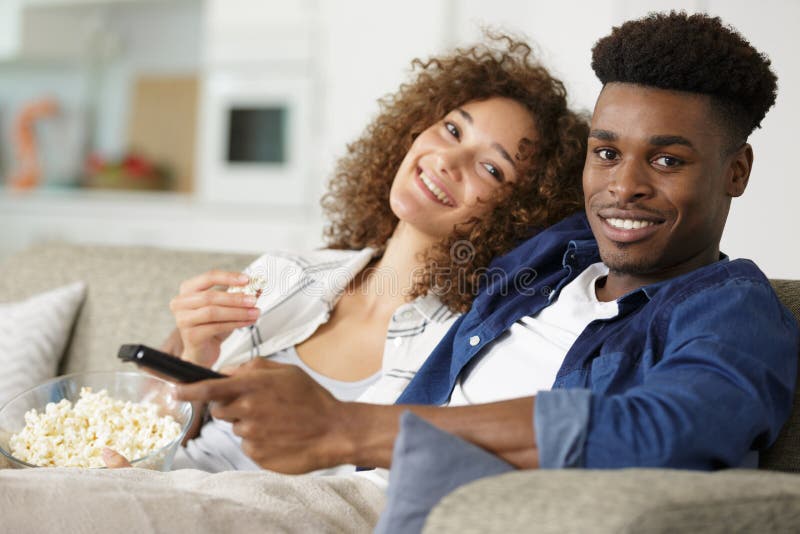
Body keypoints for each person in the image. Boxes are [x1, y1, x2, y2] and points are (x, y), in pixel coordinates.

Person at [173, 10, 798, 490]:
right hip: (350, 493)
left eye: (666, 160)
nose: (623, 185)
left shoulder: (729, 308)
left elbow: (669, 430)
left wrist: (349, 429)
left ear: (736, 171)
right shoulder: (554, 262)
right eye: (605, 153)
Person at [104, 34, 589, 472]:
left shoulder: (462, 346)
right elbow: (152, 451)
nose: (447, 160)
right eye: (452, 130)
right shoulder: (284, 273)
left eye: (490, 168)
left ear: (523, 211)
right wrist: (196, 356)